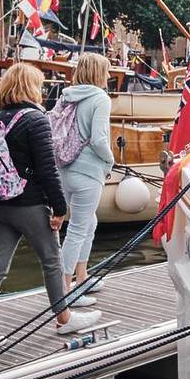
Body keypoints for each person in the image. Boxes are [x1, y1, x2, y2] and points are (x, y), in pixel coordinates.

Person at [0, 63, 100, 353]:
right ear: (29, 86)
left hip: (1, 204)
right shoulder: (36, 119)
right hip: (30, 203)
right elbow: (47, 169)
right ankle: (64, 318)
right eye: (38, 84)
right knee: (51, 261)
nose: (41, 89)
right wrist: (60, 207)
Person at [57, 53, 114, 304]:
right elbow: (99, 139)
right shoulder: (100, 99)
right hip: (88, 171)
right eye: (107, 71)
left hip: (65, 169)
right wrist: (110, 160)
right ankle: (64, 290)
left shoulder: (67, 96)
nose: (110, 76)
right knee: (78, 230)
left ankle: (82, 278)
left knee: (88, 223)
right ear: (97, 73)